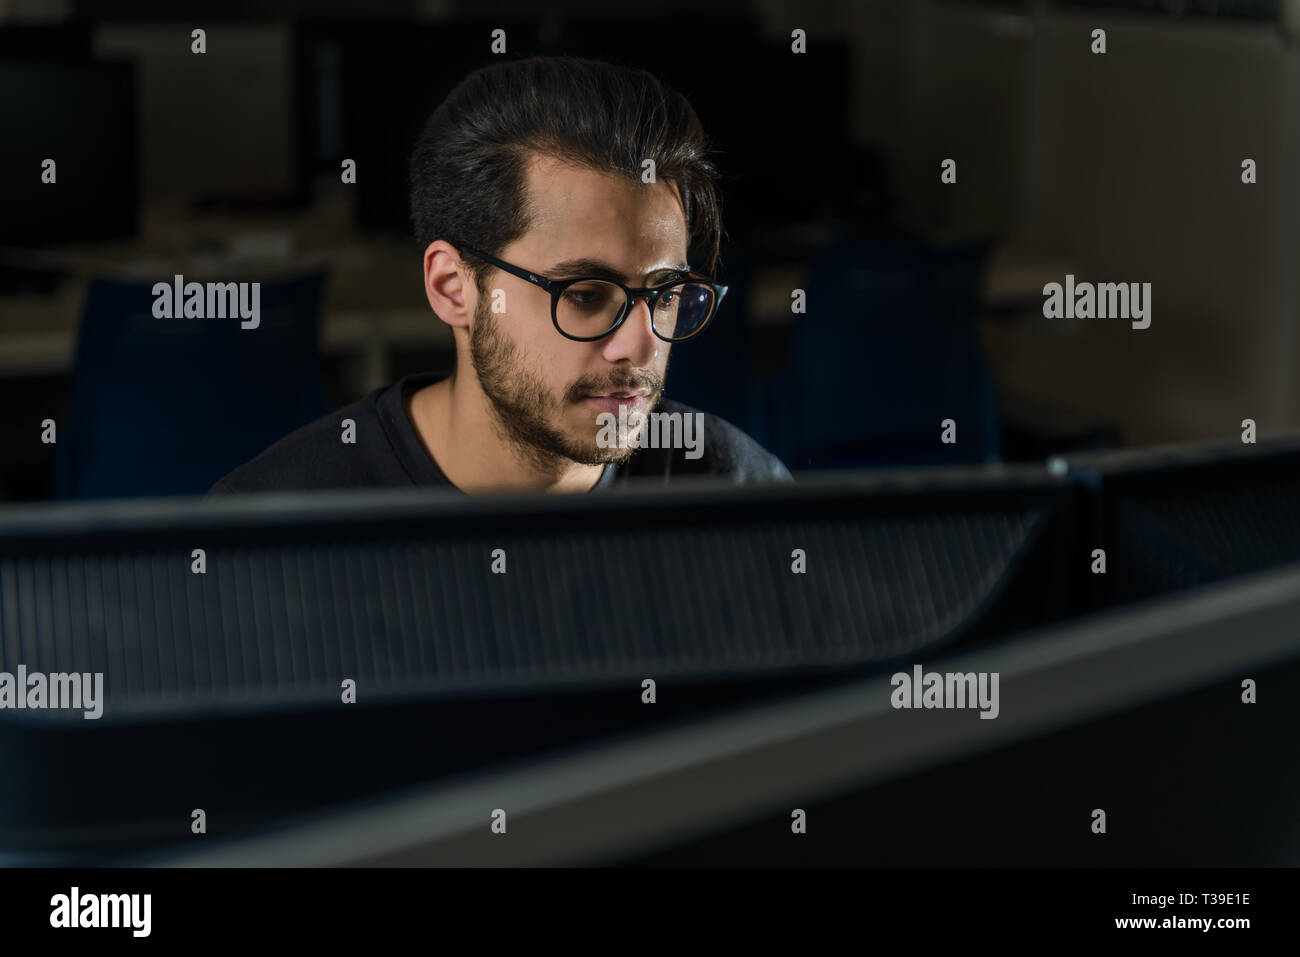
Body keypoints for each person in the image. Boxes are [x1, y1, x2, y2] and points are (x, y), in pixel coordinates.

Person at [208, 56, 790, 497]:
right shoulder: (277, 530)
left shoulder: (738, 491)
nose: (642, 345)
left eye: (665, 295)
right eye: (585, 294)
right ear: (452, 287)